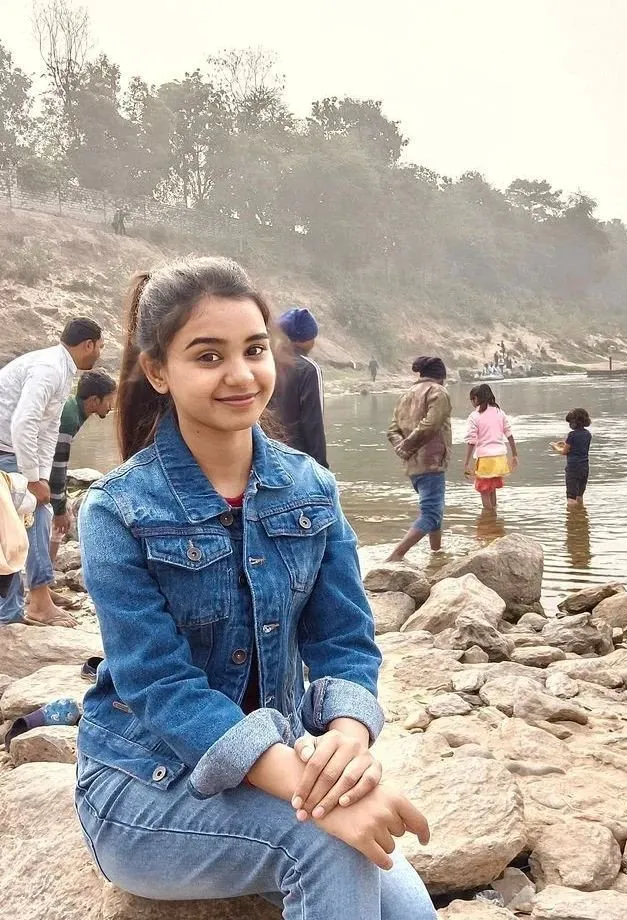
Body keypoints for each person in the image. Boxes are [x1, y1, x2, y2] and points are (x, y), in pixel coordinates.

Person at [74, 257, 434, 919]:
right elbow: (158, 682)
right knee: (326, 846)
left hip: (280, 766)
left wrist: (346, 742)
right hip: (147, 782)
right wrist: (313, 792)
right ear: (158, 370)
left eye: (255, 350)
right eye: (208, 356)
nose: (241, 375)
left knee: (409, 908)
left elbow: (345, 642)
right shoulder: (117, 510)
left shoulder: (311, 489)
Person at [0, 318, 104, 626]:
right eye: (100, 346)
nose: (100, 353)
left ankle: (23, 605)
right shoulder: (48, 369)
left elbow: (47, 431)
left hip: (14, 450)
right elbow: (24, 423)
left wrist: (42, 477)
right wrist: (33, 479)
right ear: (88, 345)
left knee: (28, 514)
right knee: (23, 519)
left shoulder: (62, 369)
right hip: (6, 449)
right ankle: (36, 602)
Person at [386, 356, 451, 562]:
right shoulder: (438, 392)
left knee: (434, 509)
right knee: (431, 513)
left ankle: (436, 553)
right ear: (441, 377)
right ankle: (396, 555)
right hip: (431, 460)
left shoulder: (406, 394)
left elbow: (392, 430)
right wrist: (408, 446)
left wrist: (403, 449)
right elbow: (431, 424)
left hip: (413, 465)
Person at [49, 371, 117, 563]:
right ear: (94, 400)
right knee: (56, 519)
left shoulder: (74, 410)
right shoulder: (69, 417)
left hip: (39, 468)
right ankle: (41, 576)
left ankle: (46, 573)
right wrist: (58, 508)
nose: (111, 406)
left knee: (62, 518)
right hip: (27, 469)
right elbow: (58, 463)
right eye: (109, 400)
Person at [270, 307, 328, 468]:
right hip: (297, 459)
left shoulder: (267, 362)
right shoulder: (308, 369)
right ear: (305, 339)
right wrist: (321, 468)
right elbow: (313, 423)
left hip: (267, 454)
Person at [463, 384, 518, 512]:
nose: (472, 402)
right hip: (500, 458)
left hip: (485, 459)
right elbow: (509, 435)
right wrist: (515, 455)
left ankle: (489, 518)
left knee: (484, 491)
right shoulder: (500, 412)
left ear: (476, 398)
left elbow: (471, 441)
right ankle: (494, 516)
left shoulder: (475, 416)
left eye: (472, 399)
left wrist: (466, 462)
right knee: (492, 489)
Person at [551, 408, 592, 508]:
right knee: (579, 496)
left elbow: (564, 452)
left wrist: (555, 447)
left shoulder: (572, 435)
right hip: (584, 468)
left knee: (571, 498)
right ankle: (581, 514)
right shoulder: (588, 434)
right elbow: (578, 447)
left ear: (574, 423)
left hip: (573, 468)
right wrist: (565, 444)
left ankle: (573, 516)